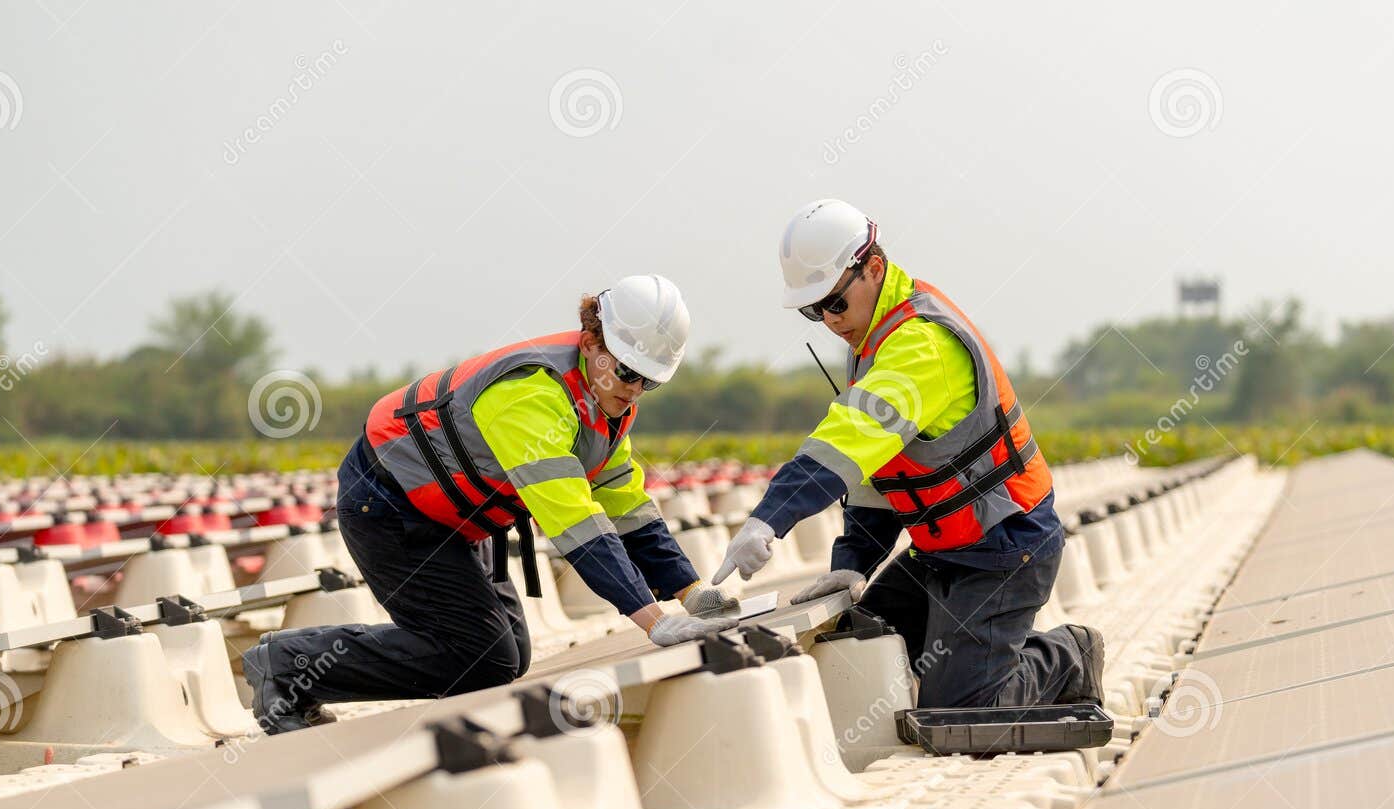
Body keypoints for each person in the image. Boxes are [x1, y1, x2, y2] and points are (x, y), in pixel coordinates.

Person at [245, 274, 738, 734]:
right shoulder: (530, 397)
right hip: (389, 504)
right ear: (591, 344)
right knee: (482, 658)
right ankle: (288, 667)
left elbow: (628, 509)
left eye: (648, 382)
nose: (633, 392)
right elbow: (577, 524)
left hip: (455, 520)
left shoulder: (605, 408)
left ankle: (294, 665)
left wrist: (693, 594)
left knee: (508, 655)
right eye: (628, 373)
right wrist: (654, 622)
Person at [713, 200, 1103, 710]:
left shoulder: (920, 345)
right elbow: (878, 474)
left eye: (834, 303)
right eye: (815, 312)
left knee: (964, 706)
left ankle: (1071, 653)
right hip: (944, 552)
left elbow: (847, 438)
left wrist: (769, 519)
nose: (830, 322)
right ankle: (977, 659)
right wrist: (855, 561)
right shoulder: (874, 341)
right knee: (860, 644)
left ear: (872, 268)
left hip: (1006, 547)